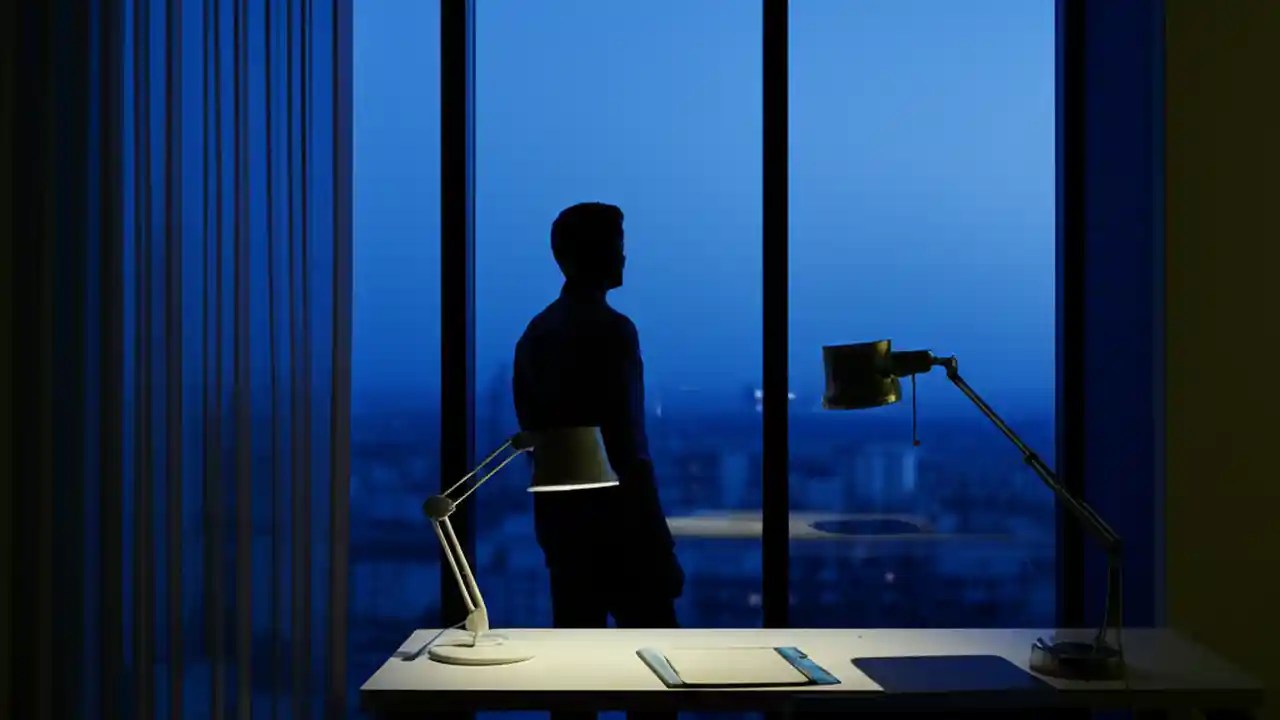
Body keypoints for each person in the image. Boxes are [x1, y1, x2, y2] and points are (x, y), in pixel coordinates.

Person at [513, 202, 685, 635]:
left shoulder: (536, 334)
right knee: (656, 670)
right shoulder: (612, 331)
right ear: (591, 253)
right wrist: (658, 542)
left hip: (564, 529)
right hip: (622, 530)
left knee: (573, 679)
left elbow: (535, 442)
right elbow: (627, 447)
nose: (623, 256)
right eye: (616, 245)